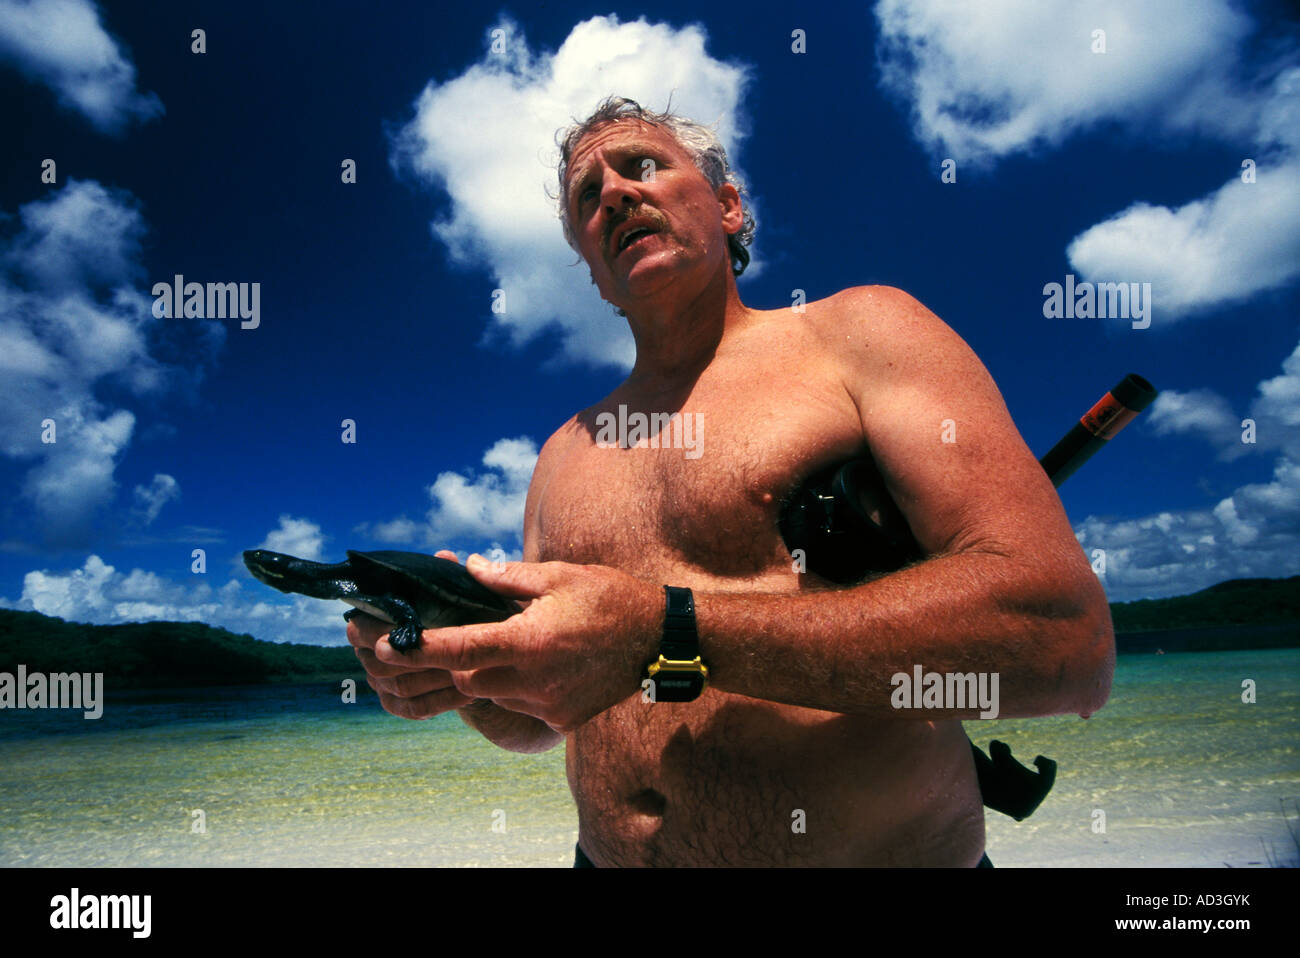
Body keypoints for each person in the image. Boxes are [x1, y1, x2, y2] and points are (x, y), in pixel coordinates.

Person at [347, 97, 1114, 867]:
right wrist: (464, 680)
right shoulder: (560, 456)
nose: (615, 193)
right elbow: (548, 723)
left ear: (728, 204)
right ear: (589, 266)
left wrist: (666, 630)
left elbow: (1064, 643)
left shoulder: (859, 336)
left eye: (644, 166)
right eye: (589, 195)